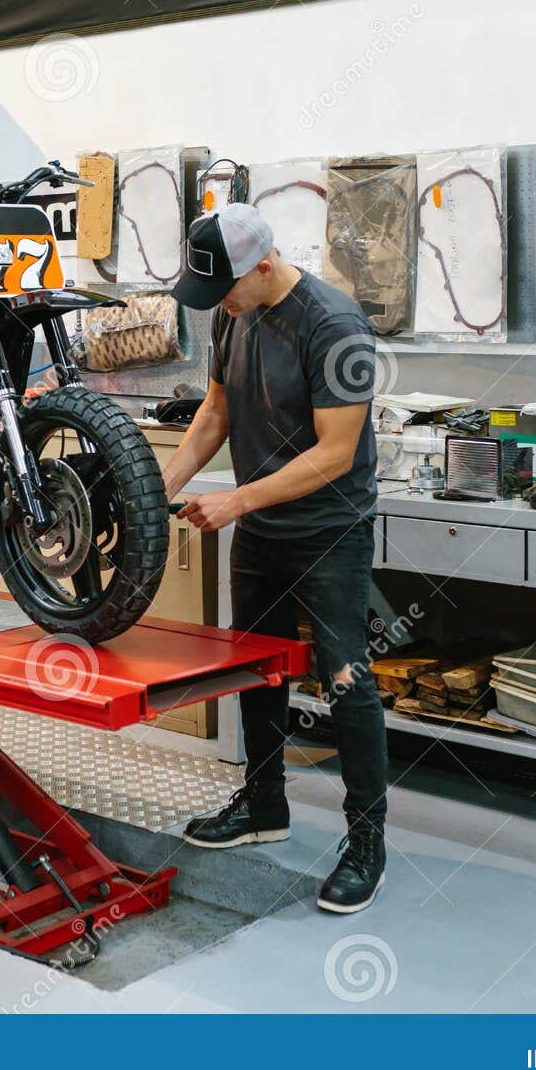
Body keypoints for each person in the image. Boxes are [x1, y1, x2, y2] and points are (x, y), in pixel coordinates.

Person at [161, 203, 388, 913]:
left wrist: (235, 501)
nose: (217, 305)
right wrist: (152, 487)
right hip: (261, 522)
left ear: (264, 265)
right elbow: (215, 414)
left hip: (327, 528)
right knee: (254, 665)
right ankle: (263, 805)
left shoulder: (337, 326)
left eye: (226, 288)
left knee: (345, 677)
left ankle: (366, 841)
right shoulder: (232, 313)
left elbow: (335, 453)